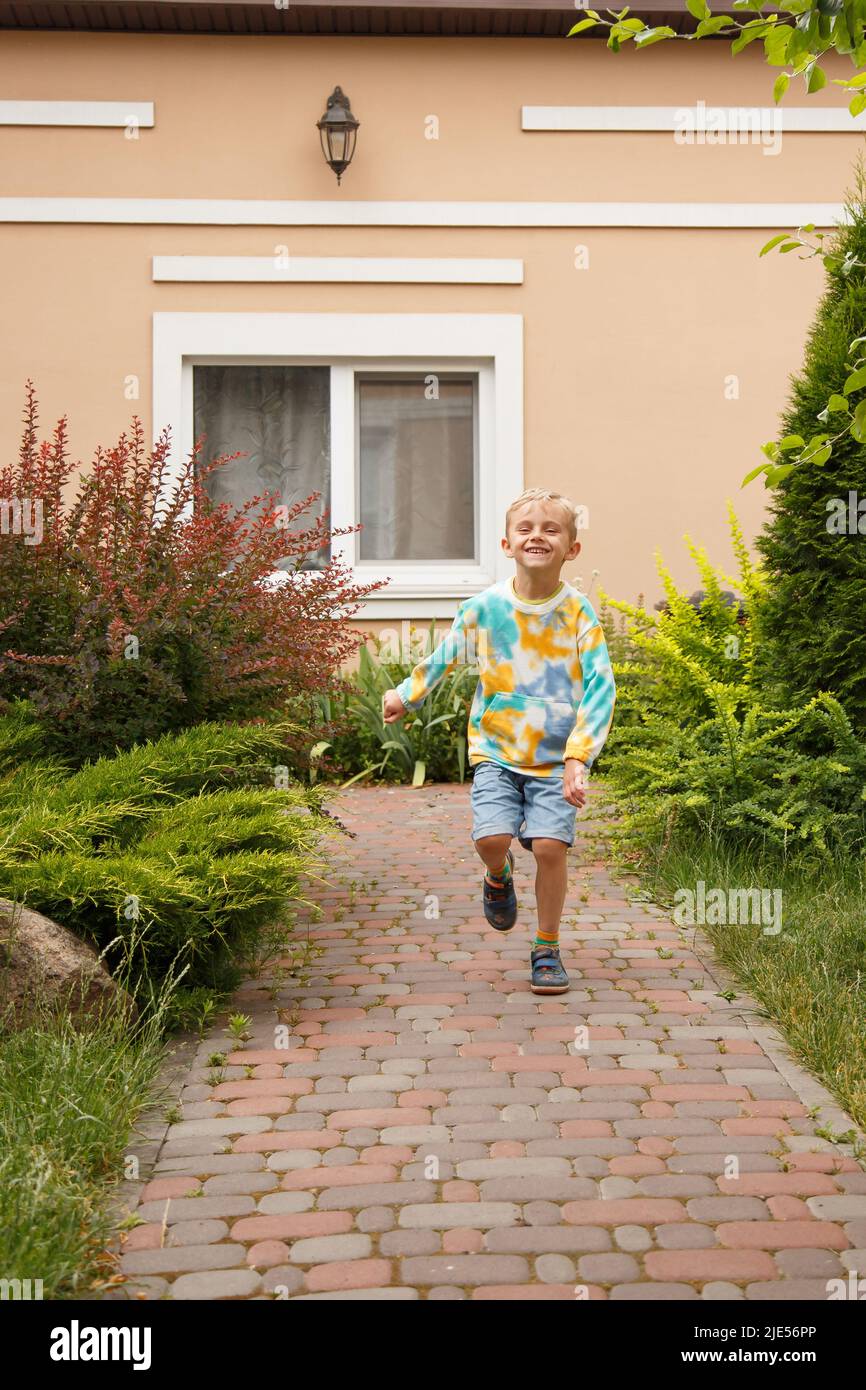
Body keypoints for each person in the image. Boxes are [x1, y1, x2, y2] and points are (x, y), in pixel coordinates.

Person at [382, 488, 616, 994]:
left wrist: (579, 757)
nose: (537, 535)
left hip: (555, 759)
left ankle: (547, 947)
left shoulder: (579, 614)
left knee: (552, 848)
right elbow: (443, 657)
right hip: (497, 752)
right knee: (491, 839)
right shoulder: (484, 608)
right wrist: (407, 694)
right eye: (526, 528)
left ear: (572, 549)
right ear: (507, 543)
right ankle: (498, 874)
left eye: (551, 529)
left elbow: (602, 686)